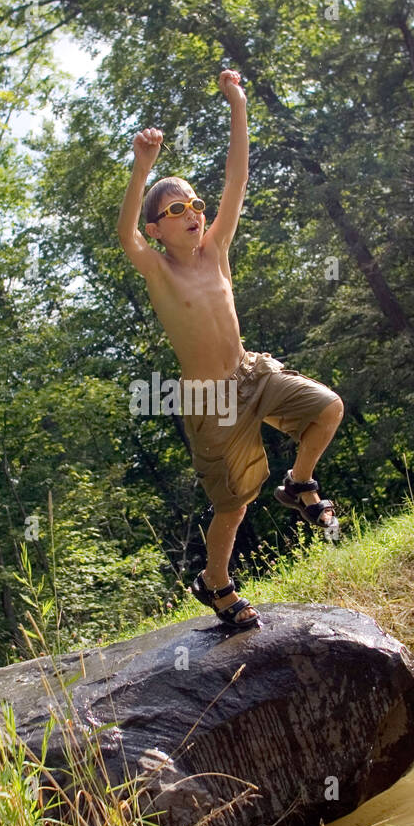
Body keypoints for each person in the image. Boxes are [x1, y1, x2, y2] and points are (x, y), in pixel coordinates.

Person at [117, 69, 343, 629]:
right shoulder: (158, 270)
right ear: (157, 230)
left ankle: (300, 483)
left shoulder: (216, 248)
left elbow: (236, 176)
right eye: (176, 210)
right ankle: (216, 584)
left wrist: (238, 105)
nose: (193, 212)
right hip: (210, 400)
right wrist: (142, 170)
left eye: (194, 203)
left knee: (327, 407)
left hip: (250, 374)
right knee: (233, 505)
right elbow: (124, 235)